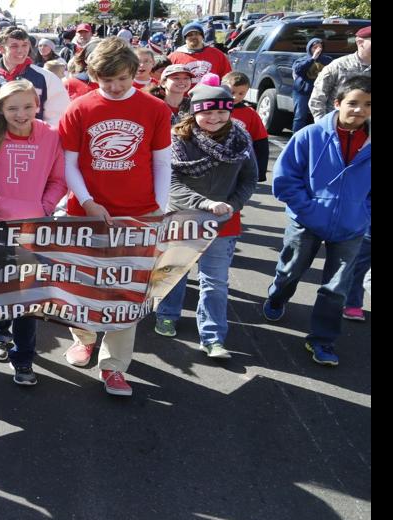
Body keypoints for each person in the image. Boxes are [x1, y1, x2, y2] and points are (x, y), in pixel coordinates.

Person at [55, 39, 173, 397]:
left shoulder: (154, 108)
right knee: (82, 284)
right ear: (94, 75)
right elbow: (69, 164)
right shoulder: (78, 108)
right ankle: (84, 338)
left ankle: (115, 365)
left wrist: (159, 209)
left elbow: (162, 162)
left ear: (134, 72)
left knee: (126, 291)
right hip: (85, 213)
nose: (115, 87)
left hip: (138, 213)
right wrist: (89, 201)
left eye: (121, 79)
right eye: (106, 80)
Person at [0, 79, 68, 385]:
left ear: (38, 105)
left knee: (27, 297)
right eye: (12, 108)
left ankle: (23, 359)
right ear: (1, 109)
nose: (21, 114)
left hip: (34, 228)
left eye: (27, 106)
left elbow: (59, 179)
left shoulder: (50, 136)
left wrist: (44, 207)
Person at [262, 76, 369, 367]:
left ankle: (322, 340)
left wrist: (364, 213)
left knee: (336, 289)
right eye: (353, 103)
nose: (360, 110)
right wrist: (307, 209)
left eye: (368, 105)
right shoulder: (309, 135)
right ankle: (277, 296)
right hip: (306, 221)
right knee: (291, 269)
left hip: (351, 227)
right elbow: (285, 181)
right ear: (337, 103)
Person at [155, 79, 255, 360]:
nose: (214, 117)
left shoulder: (241, 138)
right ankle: (167, 314)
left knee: (215, 282)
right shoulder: (177, 138)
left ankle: (213, 337)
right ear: (194, 112)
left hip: (224, 223)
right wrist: (205, 203)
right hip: (182, 217)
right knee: (174, 273)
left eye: (222, 112)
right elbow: (170, 180)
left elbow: (250, 179)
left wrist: (231, 206)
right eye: (207, 112)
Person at [0, 28, 70, 134]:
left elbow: (58, 116)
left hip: (33, 148)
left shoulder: (46, 78)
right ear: (0, 49)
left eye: (25, 45)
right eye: (14, 46)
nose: (21, 51)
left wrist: (40, 140)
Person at [309, 25, 369, 122]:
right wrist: (323, 126)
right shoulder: (339, 66)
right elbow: (317, 98)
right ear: (360, 43)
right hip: (338, 128)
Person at [224, 72, 269, 181]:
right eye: (232, 92)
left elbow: (261, 142)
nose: (235, 97)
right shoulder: (211, 109)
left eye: (241, 93)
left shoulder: (250, 113)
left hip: (238, 163)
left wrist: (260, 170)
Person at [291, 37, 330, 134]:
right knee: (300, 116)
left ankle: (317, 137)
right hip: (303, 91)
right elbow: (298, 70)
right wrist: (312, 59)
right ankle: (296, 137)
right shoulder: (302, 60)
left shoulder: (327, 60)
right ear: (309, 48)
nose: (317, 50)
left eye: (320, 47)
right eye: (315, 47)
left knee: (320, 116)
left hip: (320, 92)